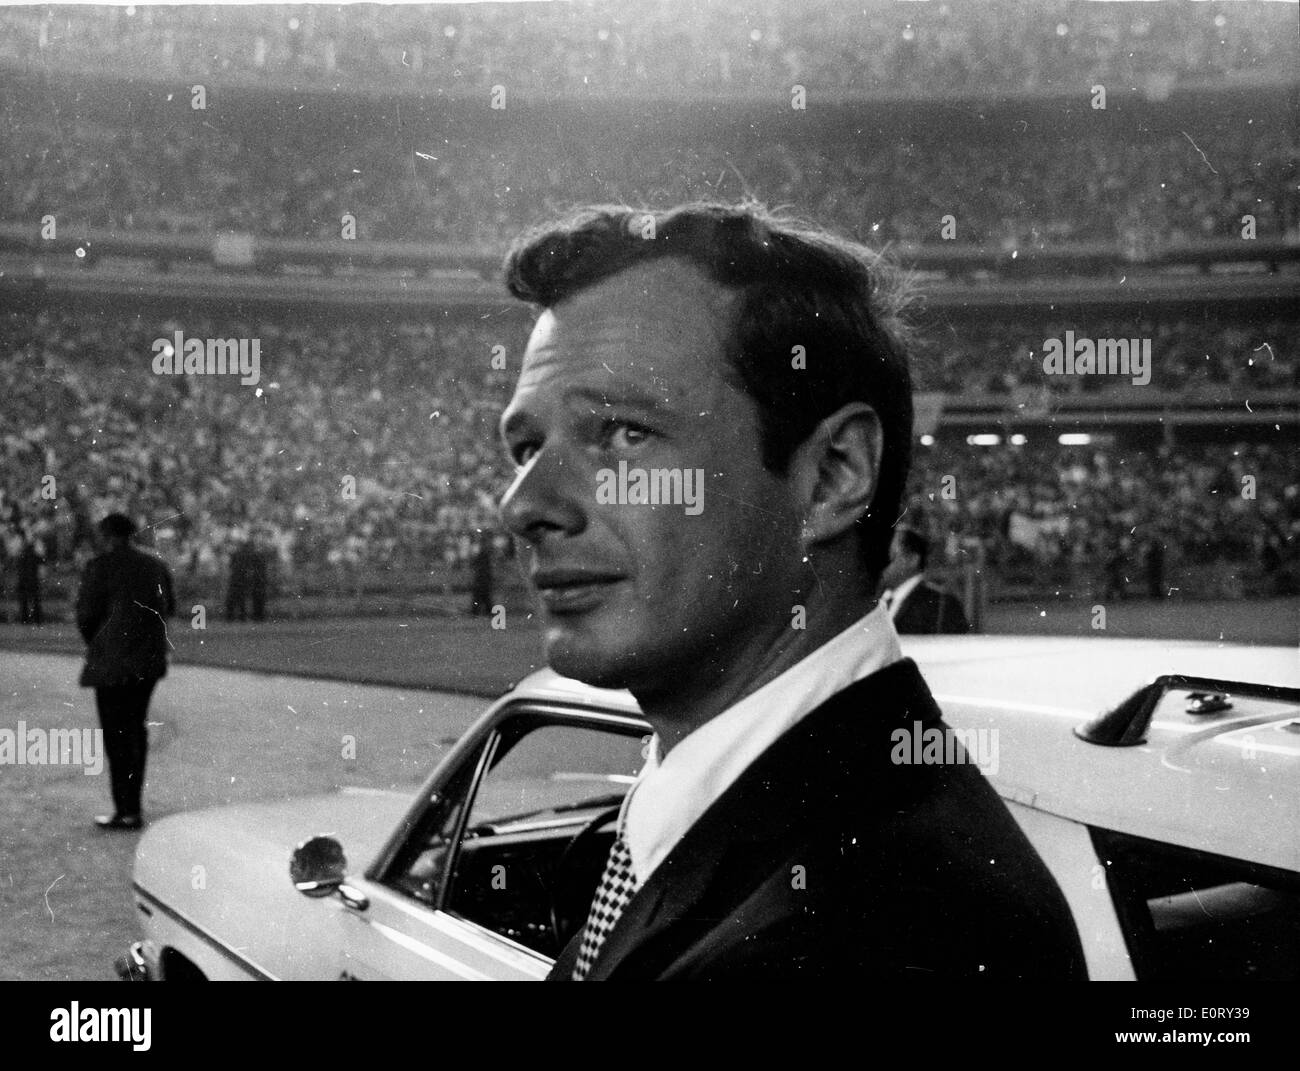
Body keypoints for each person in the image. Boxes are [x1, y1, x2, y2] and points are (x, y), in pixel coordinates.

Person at [496, 201, 1086, 980]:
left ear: (833, 476)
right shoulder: (776, 813)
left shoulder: (872, 935)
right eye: (527, 446)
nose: (525, 505)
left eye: (623, 433)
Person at [75, 513, 176, 830]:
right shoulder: (154, 565)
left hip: (112, 662)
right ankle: (132, 807)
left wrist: (102, 645)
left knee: (116, 735)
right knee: (135, 730)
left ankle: (125, 809)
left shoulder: (99, 566)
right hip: (146, 660)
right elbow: (168, 608)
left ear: (106, 535)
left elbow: (87, 616)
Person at [878, 526, 971, 634]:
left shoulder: (941, 604)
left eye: (887, 557)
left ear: (912, 560)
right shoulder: (877, 599)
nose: (879, 564)